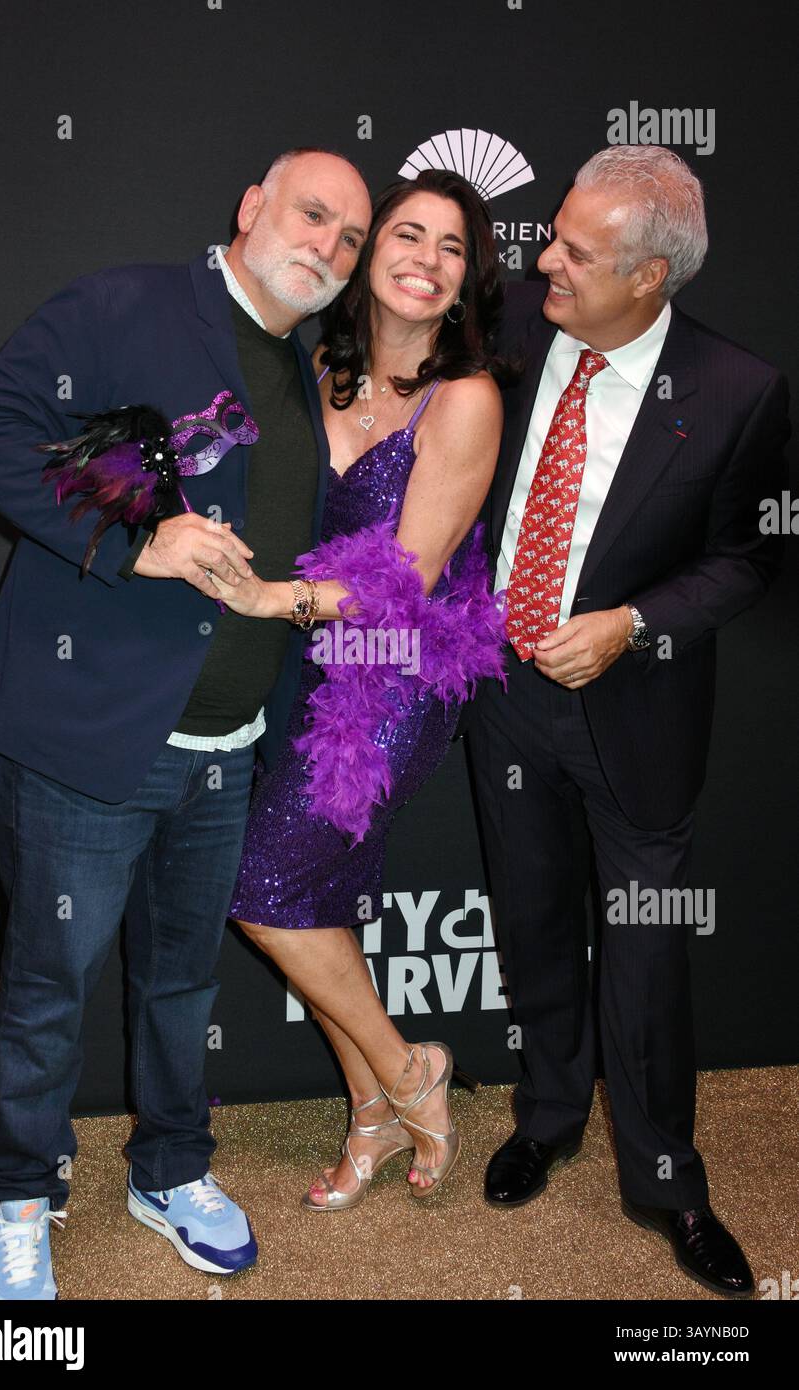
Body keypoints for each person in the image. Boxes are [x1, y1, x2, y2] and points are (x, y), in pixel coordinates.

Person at [0, 147, 372, 1297]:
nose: (326, 247)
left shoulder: (310, 368)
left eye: (348, 238)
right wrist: (139, 542)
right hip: (90, 742)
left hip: (226, 750)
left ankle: (170, 1167)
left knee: (181, 987)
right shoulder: (120, 303)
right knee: (45, 990)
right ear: (250, 206)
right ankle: (19, 1194)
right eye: (311, 215)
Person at [458, 144, 790, 1297]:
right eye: (550, 234)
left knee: (643, 960)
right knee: (535, 922)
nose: (542, 259)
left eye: (576, 253)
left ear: (650, 277)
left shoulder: (736, 390)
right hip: (502, 702)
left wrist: (634, 621)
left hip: (635, 716)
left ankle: (665, 1181)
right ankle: (546, 1116)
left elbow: (745, 560)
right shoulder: (501, 320)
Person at [215, 168, 511, 1210]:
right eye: (407, 234)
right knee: (319, 900)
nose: (425, 260)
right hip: (302, 665)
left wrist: (267, 599)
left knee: (261, 887)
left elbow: (406, 579)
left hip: (389, 676)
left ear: (468, 279)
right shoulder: (314, 370)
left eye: (451, 248)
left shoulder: (463, 395)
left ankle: (407, 1069)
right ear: (361, 249)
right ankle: (374, 1116)